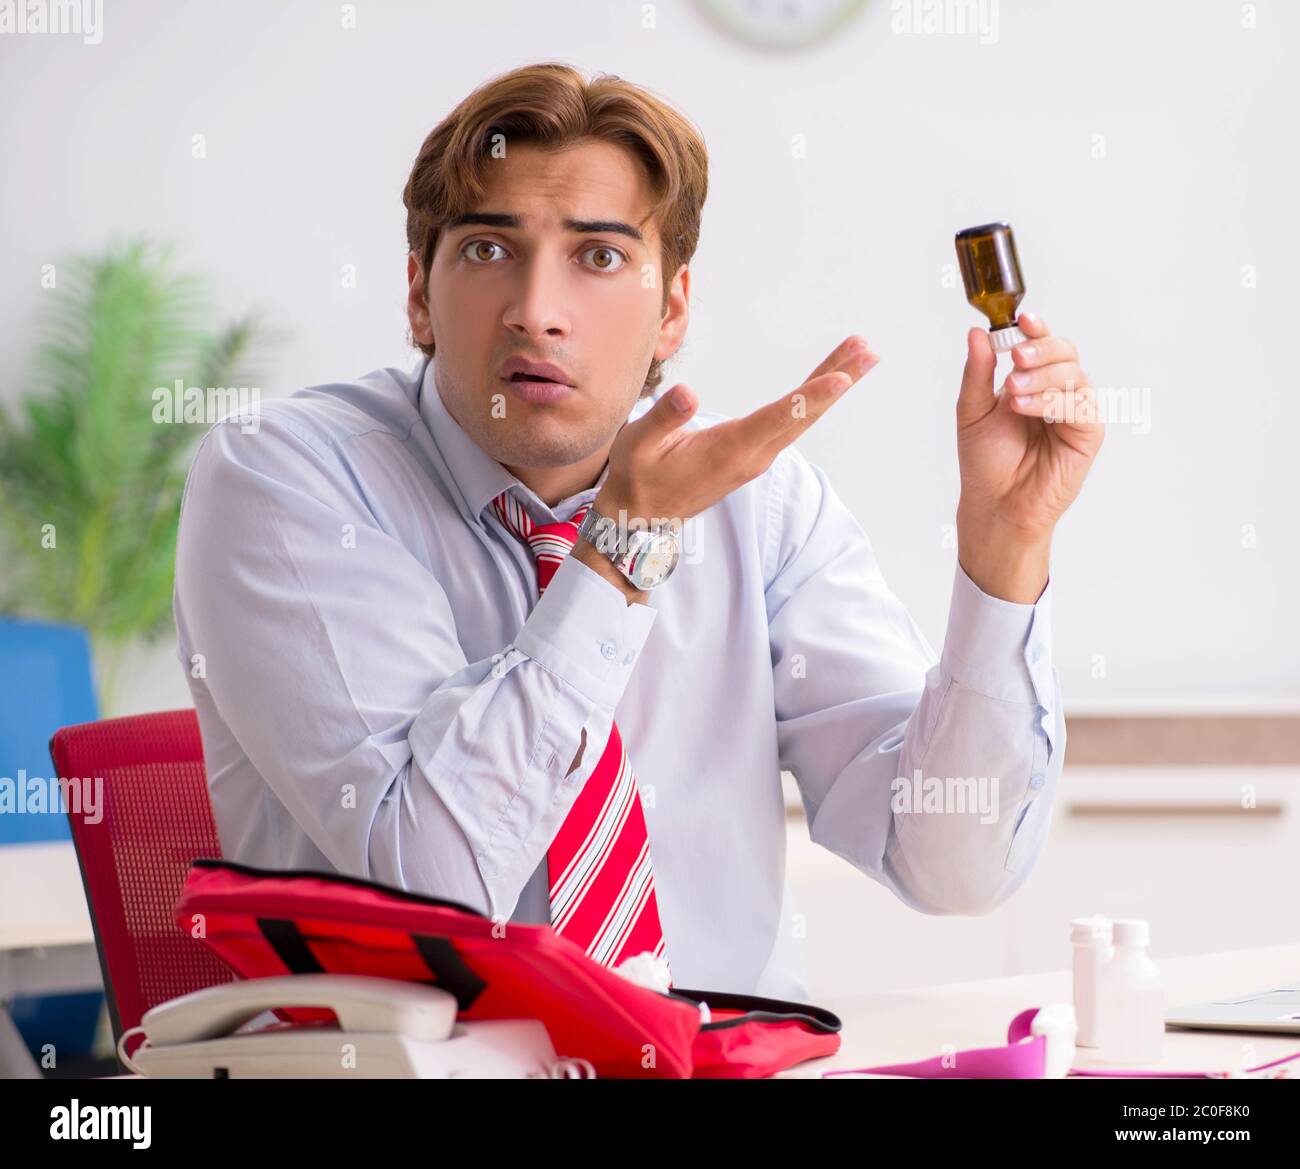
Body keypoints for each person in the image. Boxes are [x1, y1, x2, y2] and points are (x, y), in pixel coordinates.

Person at [173, 62, 1104, 1001]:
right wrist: (623, 550)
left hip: (723, 1052)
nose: (537, 311)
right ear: (418, 292)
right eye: (489, 249)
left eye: (600, 257)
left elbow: (952, 865)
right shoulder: (285, 476)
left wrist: (1005, 547)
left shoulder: (764, 506)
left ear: (672, 311)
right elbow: (434, 883)